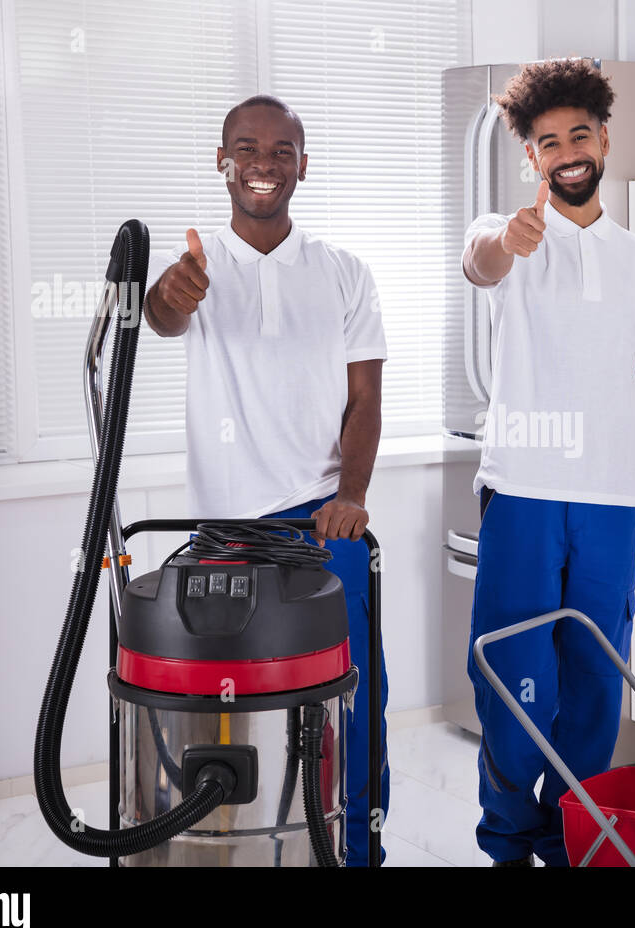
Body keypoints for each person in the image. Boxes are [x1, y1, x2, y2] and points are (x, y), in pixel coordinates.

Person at [461, 60, 635, 866]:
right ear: (530, 159)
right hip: (526, 491)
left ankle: (576, 833)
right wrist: (508, 238)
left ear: (604, 139)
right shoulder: (511, 237)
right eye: (549, 142)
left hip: (611, 496)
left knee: (596, 684)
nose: (568, 151)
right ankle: (509, 840)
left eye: (580, 134)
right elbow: (479, 262)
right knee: (514, 679)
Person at [142, 94, 389, 866]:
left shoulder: (344, 273)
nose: (263, 164)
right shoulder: (197, 267)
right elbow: (163, 314)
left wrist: (350, 495)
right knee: (236, 706)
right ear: (223, 162)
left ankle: (355, 849)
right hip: (223, 529)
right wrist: (168, 297)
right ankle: (243, 848)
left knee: (351, 700)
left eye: (282, 151)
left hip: (322, 523)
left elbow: (365, 400)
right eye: (246, 148)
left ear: (303, 166)